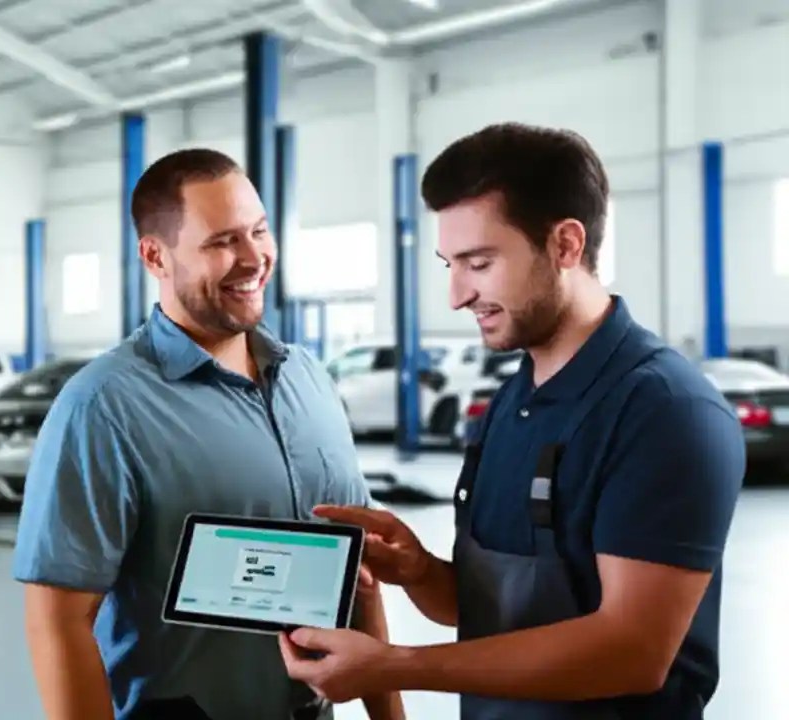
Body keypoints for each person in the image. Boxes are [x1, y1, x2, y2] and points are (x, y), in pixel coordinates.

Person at [279, 122, 746, 719]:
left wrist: (398, 665)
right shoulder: (510, 403)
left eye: (478, 263)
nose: (456, 295)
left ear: (566, 246)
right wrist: (420, 570)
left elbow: (631, 651)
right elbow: (481, 613)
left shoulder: (665, 413)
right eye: (450, 263)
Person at [12, 148, 404, 720]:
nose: (254, 258)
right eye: (223, 242)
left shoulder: (310, 380)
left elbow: (359, 572)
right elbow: (59, 620)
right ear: (156, 256)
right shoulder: (104, 407)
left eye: (260, 232)